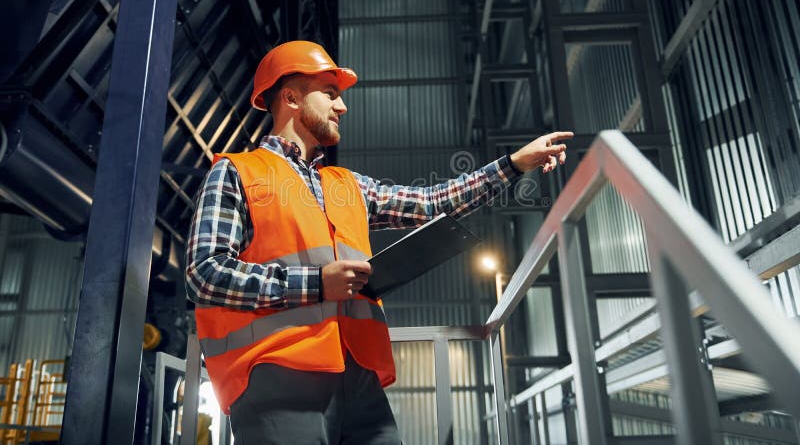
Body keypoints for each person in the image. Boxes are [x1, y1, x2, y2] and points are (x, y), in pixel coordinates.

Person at [185, 40, 573, 444]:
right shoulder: (237, 172)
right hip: (274, 373)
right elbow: (204, 274)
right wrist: (317, 284)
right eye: (331, 94)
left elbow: (432, 202)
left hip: (358, 375)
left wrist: (512, 165)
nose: (342, 107)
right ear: (291, 98)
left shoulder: (345, 185)